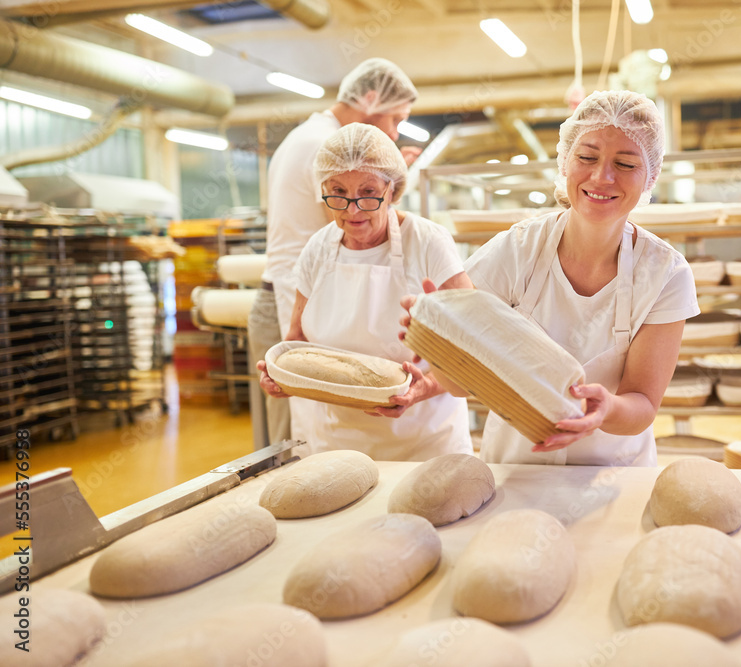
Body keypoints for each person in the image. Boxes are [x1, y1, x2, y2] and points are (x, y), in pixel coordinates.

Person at [405, 90, 699, 466]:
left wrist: (606, 409)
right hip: (516, 469)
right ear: (565, 162)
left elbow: (642, 405)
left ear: (651, 176)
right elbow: (462, 384)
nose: (601, 176)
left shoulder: (666, 275)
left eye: (625, 164)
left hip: (612, 477)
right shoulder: (516, 251)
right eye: (587, 157)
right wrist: (434, 342)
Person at [256, 123, 473, 460]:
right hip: (335, 444)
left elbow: (475, 347)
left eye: (368, 193)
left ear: (392, 189)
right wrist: (281, 377)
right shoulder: (318, 248)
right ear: (323, 188)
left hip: (424, 443)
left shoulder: (428, 242)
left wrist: (424, 388)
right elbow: (297, 341)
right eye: (338, 192)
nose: (352, 210)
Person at [248, 58, 420, 448]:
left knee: (299, 424)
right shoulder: (324, 146)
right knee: (297, 428)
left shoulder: (311, 134)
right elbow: (352, 220)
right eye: (395, 119)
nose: (394, 132)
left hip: (293, 287)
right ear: (371, 100)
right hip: (292, 294)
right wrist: (387, 184)